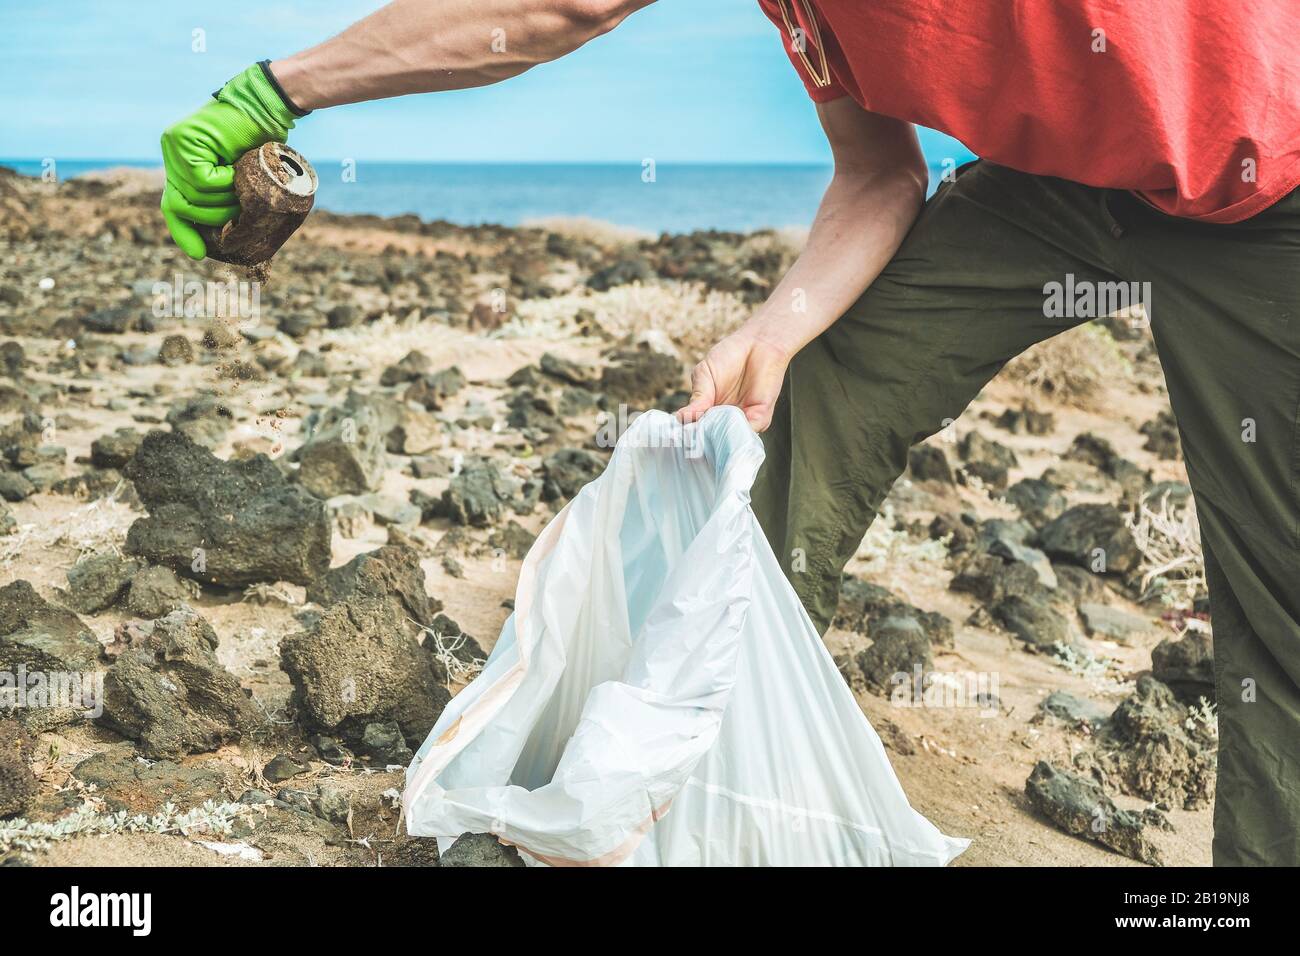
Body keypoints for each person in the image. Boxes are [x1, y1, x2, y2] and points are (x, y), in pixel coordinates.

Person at [160, 1, 1300, 866]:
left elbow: (555, 12)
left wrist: (274, 92)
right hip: (1055, 187)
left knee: (1277, 611)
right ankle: (687, 773)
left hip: (1269, 199)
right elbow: (876, 172)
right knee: (806, 394)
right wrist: (774, 327)